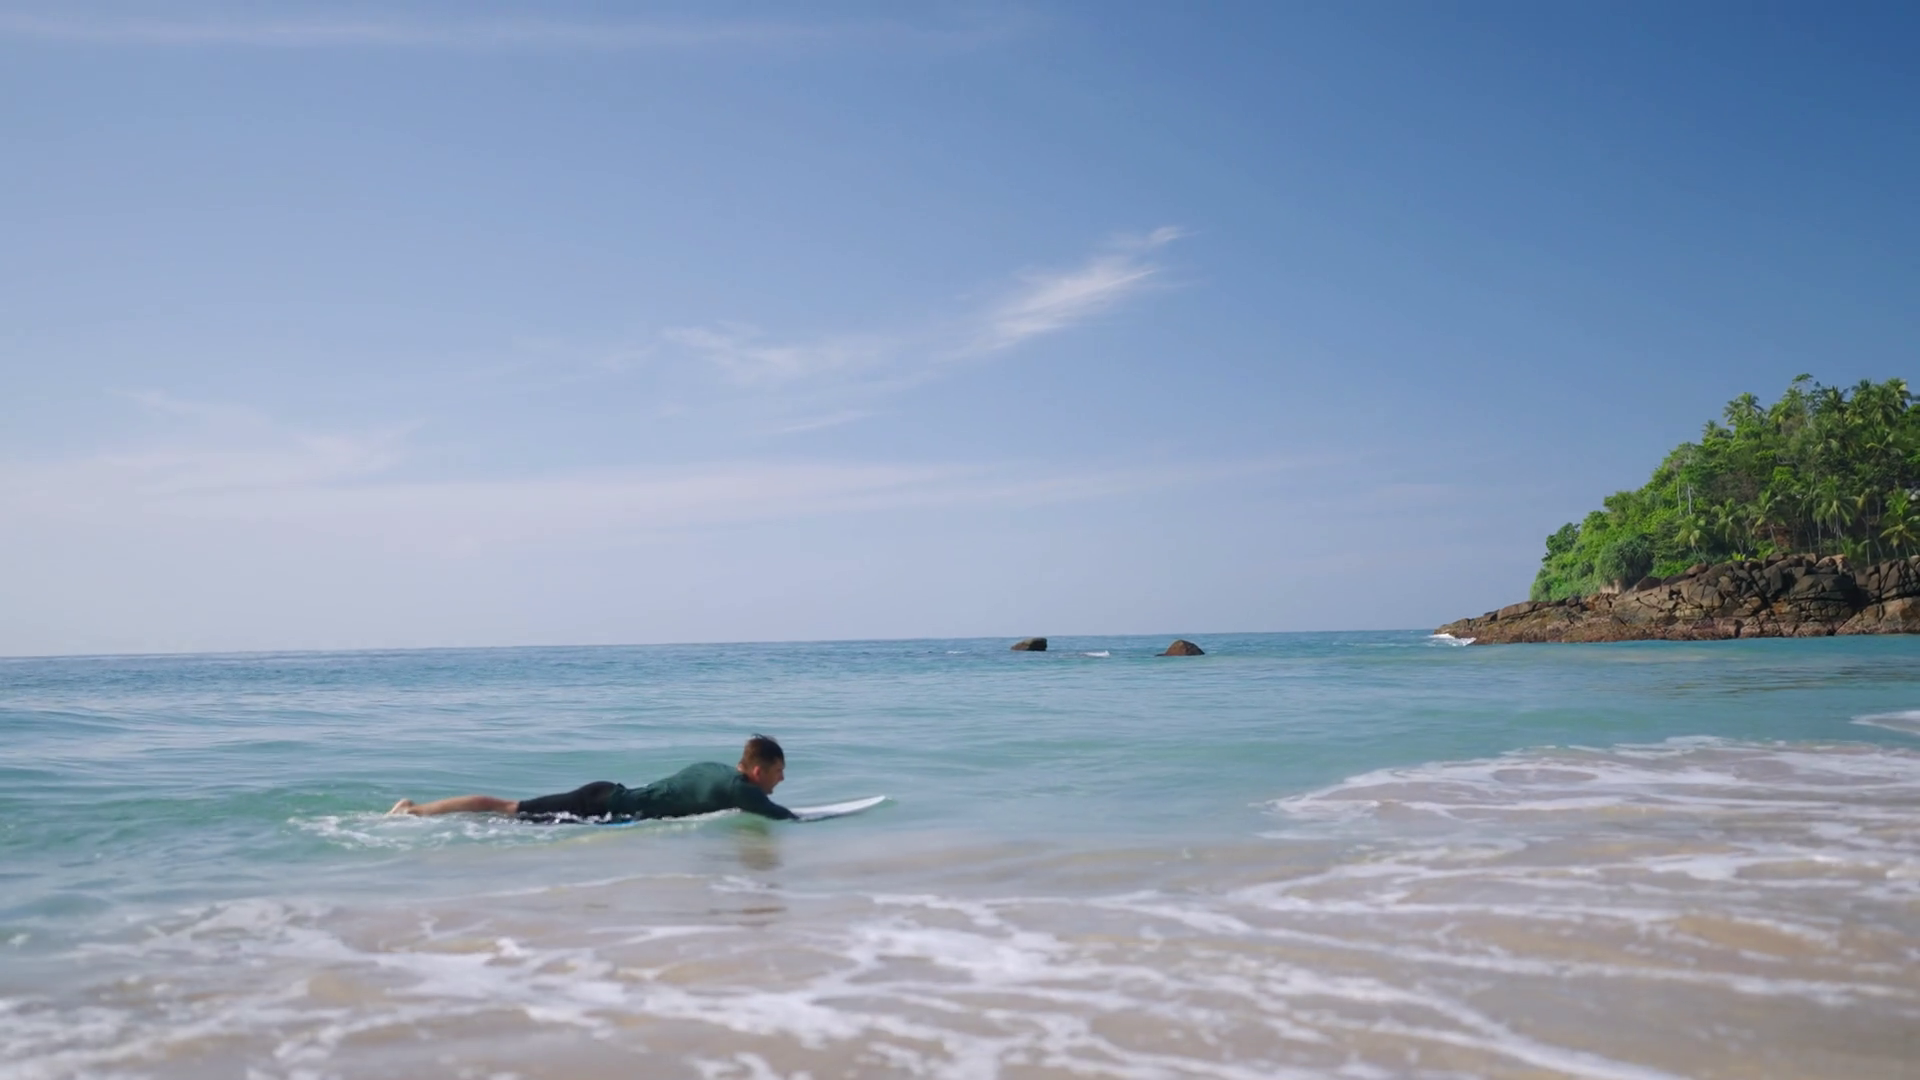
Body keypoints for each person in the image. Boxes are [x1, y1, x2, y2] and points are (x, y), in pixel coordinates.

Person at [387, 733, 798, 822]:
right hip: (599, 806)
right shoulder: (740, 789)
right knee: (506, 809)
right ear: (759, 771)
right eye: (778, 773)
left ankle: (418, 811)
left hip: (604, 794)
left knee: (508, 810)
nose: (781, 780)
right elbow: (781, 817)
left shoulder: (719, 770)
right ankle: (415, 811)